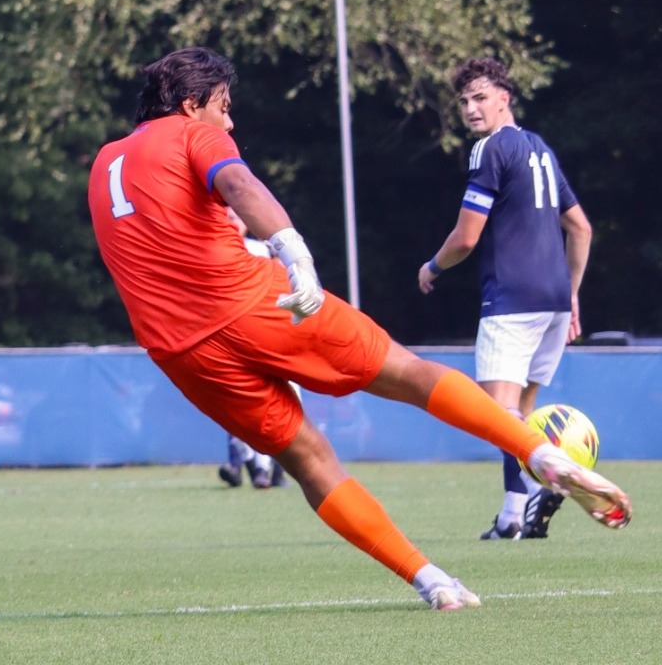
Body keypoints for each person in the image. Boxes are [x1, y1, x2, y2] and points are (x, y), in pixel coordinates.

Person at [87, 47, 631, 611]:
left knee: (308, 462)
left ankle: (432, 582)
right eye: (223, 107)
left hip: (182, 353)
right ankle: (542, 456)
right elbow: (242, 188)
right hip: (257, 302)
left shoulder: (104, 163)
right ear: (189, 103)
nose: (229, 121)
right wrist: (295, 253)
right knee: (410, 374)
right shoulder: (189, 133)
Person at [418, 57, 592, 541]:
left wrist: (431, 266)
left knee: (498, 419)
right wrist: (572, 293)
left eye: (480, 97)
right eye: (464, 101)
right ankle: (514, 515)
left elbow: (466, 238)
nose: (471, 109)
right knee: (521, 415)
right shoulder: (540, 149)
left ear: (504, 98)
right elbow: (580, 227)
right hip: (555, 300)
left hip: (512, 299)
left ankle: (538, 491)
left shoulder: (490, 149)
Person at [218, 208, 288, 489]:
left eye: (236, 217)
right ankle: (250, 466)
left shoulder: (261, 249)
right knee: (235, 407)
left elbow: (282, 283)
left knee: (286, 401)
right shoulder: (213, 246)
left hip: (268, 333)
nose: (232, 222)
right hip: (233, 337)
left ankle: (274, 470)